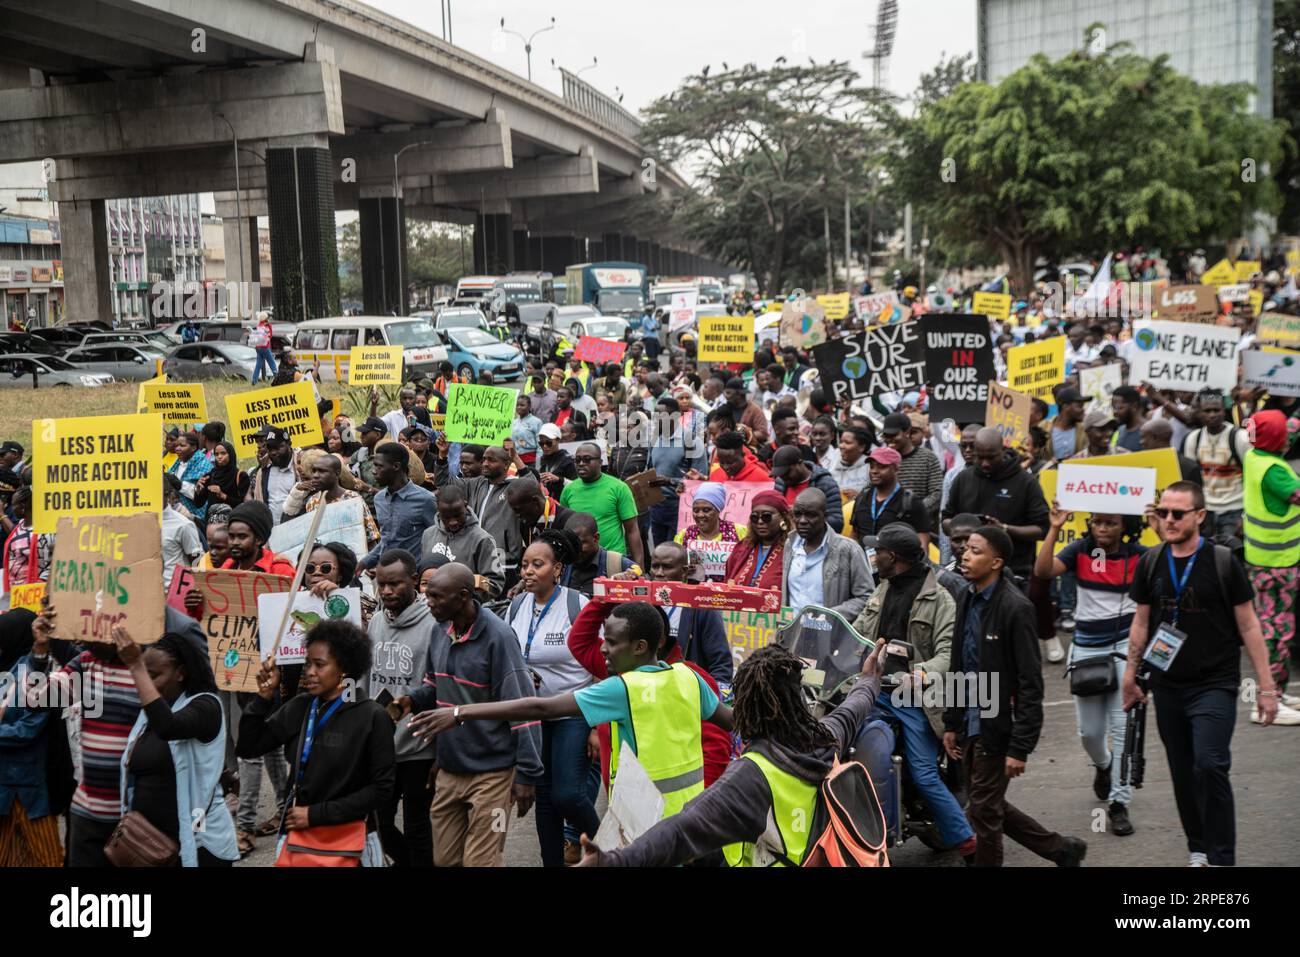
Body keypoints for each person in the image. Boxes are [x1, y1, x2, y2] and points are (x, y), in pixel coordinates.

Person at [410, 600, 733, 823]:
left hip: (646, 818)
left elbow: (540, 706)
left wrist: (460, 713)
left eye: (613, 642)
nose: (603, 648)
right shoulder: (689, 675)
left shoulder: (622, 689)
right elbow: (733, 721)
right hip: (689, 814)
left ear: (640, 647)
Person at [576, 641, 883, 867]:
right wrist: (869, 679)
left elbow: (683, 830)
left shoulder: (752, 775)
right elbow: (854, 707)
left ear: (747, 708)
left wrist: (613, 861)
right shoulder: (826, 737)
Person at [1125, 482, 1279, 866]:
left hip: (1215, 683)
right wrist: (1131, 675)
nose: (1169, 520)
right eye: (1163, 512)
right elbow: (1142, 622)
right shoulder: (1151, 561)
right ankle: (1198, 848)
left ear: (1199, 516)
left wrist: (1267, 687)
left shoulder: (1223, 561)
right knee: (1182, 772)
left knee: (1209, 765)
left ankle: (1222, 858)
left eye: (1178, 513)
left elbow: (1249, 626)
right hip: (1167, 685)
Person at [943, 525, 1087, 867]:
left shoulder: (1016, 608)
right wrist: (952, 721)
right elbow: (958, 662)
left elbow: (1030, 683)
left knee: (983, 811)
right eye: (965, 549)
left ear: (996, 562)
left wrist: (1020, 746)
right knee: (987, 803)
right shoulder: (966, 596)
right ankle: (1061, 850)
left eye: (975, 550)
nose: (964, 554)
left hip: (998, 725)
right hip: (969, 720)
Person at [401, 563, 543, 867]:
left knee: (484, 860)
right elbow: (433, 686)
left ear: (463, 596)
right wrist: (408, 702)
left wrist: (528, 775)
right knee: (444, 860)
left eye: (437, 597)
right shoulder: (440, 629)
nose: (429, 603)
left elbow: (524, 708)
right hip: (451, 772)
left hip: (495, 777)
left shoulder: (500, 638)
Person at [852, 523, 975, 857]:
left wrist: (919, 674)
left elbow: (949, 654)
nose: (873, 556)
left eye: (878, 551)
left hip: (913, 698)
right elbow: (858, 632)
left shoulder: (940, 599)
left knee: (923, 773)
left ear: (892, 557)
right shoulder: (882, 588)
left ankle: (966, 840)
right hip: (873, 689)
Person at [240, 621, 395, 867]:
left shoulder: (373, 716)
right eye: (307, 664)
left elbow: (382, 790)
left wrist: (315, 815)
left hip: (351, 842)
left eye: (319, 665)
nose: (309, 672)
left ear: (344, 667)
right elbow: (249, 747)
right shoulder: (300, 707)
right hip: (300, 839)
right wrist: (261, 699)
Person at [1034, 503, 1147, 836]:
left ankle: (1119, 803)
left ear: (1124, 525)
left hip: (1125, 650)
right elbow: (1043, 572)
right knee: (1089, 733)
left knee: (1123, 730)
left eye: (1110, 522)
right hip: (1085, 650)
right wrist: (1054, 528)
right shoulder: (1081, 550)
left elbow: (1167, 571)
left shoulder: (1140, 555)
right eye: (1097, 521)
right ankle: (1104, 765)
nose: (1102, 527)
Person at [498, 530, 599, 867]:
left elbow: (601, 664)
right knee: (544, 800)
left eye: (537, 565)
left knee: (567, 795)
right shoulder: (517, 605)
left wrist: (597, 726)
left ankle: (608, 847)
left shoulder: (577, 605)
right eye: (524, 564)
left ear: (557, 569)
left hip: (573, 712)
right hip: (533, 716)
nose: (527, 571)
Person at [112, 627, 239, 867]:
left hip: (200, 844)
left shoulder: (206, 706)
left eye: (154, 675)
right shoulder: (148, 713)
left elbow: (168, 727)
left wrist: (136, 667)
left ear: (180, 673)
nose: (146, 683)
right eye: (144, 676)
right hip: (151, 845)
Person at [26, 605, 141, 866]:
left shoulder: (147, 666)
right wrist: (41, 650)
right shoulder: (85, 663)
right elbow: (36, 699)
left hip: (134, 816)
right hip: (86, 813)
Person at [364, 549, 436, 867]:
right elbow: (365, 681)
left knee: (419, 827)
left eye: (395, 584)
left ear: (414, 581)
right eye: (381, 585)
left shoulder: (435, 624)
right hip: (382, 747)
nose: (387, 592)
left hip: (421, 747)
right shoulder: (376, 622)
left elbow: (442, 688)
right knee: (376, 824)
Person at [1239, 410, 1300, 723]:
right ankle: (1269, 700)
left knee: (1272, 624)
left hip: (1263, 560)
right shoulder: (1275, 472)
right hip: (1278, 565)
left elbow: (1287, 428)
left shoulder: (1253, 455)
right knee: (1277, 630)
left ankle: (1277, 689)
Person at [942, 428, 1050, 584]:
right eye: (980, 457)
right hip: (966, 573)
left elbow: (1042, 530)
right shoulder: (963, 478)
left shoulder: (1025, 482)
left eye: (991, 457)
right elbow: (946, 520)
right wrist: (964, 529)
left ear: (1003, 450)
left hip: (1013, 573)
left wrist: (1004, 529)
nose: (985, 463)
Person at [647, 541, 735, 687]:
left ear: (685, 571)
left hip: (688, 691)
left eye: (667, 567)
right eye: (655, 566)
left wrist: (711, 699)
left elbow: (721, 665)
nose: (659, 573)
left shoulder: (702, 607)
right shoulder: (642, 603)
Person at [781, 488, 872, 620]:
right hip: (792, 634)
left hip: (829, 635)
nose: (802, 520)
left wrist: (829, 615)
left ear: (825, 516)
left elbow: (866, 597)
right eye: (797, 514)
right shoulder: (790, 545)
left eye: (810, 515)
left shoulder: (848, 550)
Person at [359, 443, 439, 573]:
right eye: (374, 465)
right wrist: (364, 563)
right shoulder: (379, 499)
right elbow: (386, 541)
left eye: (379, 466)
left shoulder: (426, 500)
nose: (374, 471)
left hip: (414, 577)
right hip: (387, 575)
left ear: (396, 466)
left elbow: (437, 541)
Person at [1182, 391, 1251, 539]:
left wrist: (1246, 516)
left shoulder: (1240, 438)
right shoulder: (1193, 439)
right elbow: (1191, 482)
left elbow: (1254, 478)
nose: (1212, 415)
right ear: (1199, 413)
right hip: (1206, 512)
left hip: (1235, 510)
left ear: (1223, 411)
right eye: (1207, 411)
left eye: (1216, 410)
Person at [560, 442, 644, 563]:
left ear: (600, 462)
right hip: (578, 560)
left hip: (612, 561)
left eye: (587, 459)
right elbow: (564, 529)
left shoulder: (619, 488)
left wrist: (639, 568)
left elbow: (632, 531)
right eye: (577, 460)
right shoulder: (568, 490)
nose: (581, 464)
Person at [420, 483, 505, 600]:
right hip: (431, 608)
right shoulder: (428, 535)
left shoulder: (482, 540)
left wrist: (472, 583)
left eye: (457, 515)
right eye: (446, 517)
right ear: (438, 511)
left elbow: (495, 585)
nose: (453, 522)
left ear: (465, 506)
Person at [647, 397, 709, 548]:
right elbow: (649, 470)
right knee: (660, 552)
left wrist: (669, 481)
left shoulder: (692, 441)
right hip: (656, 509)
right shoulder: (654, 440)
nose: (656, 419)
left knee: (675, 554)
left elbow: (700, 481)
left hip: (680, 509)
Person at [850, 445, 930, 554]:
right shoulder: (862, 498)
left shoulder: (910, 502)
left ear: (896, 469)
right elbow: (854, 534)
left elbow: (922, 541)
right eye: (872, 466)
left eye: (882, 467)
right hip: (864, 567)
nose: (874, 471)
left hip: (897, 566)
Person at [882, 412, 944, 531]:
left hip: (920, 528)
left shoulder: (928, 458)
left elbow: (937, 494)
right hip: (887, 527)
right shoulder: (881, 459)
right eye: (886, 435)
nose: (889, 440)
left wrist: (911, 511)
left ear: (907, 432)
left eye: (894, 435)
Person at [675, 482, 746, 583]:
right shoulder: (684, 535)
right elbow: (675, 567)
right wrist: (683, 571)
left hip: (728, 595)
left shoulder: (738, 531)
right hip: (692, 594)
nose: (700, 515)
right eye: (696, 510)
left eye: (706, 510)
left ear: (718, 510)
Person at [725, 491, 792, 593]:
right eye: (755, 517)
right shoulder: (742, 548)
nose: (760, 522)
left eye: (766, 516)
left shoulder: (793, 551)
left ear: (782, 516)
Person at [770, 445, 845, 534]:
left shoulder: (824, 483)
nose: (783, 477)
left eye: (786, 472)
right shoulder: (781, 482)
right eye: (780, 474)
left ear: (800, 463)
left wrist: (806, 518)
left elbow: (837, 523)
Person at [562, 512, 639, 596]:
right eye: (571, 544)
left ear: (596, 538)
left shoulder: (618, 565)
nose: (574, 549)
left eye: (580, 544)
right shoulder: (561, 567)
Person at [248, 426, 299, 523]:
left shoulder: (300, 468)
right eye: (270, 449)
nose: (274, 452)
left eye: (278, 447)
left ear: (289, 444)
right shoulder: (263, 472)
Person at [161, 475, 202, 590]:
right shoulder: (142, 525)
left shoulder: (183, 525)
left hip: (173, 595)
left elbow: (197, 562)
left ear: (167, 496)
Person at [1138, 418, 1201, 485]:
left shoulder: (1188, 467)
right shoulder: (1189, 466)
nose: (1140, 442)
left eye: (1143, 437)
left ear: (1154, 437)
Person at [168, 430, 214, 521]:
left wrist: (179, 484)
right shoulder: (179, 463)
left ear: (193, 447)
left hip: (196, 516)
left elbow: (200, 494)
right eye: (176, 445)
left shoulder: (204, 465)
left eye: (182, 445)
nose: (177, 448)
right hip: (177, 514)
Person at [195, 440, 249, 513]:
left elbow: (245, 505)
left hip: (232, 521)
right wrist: (198, 490)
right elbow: (198, 504)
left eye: (223, 453)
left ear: (231, 454)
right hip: (212, 522)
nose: (219, 457)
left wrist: (223, 496)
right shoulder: (210, 476)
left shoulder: (241, 476)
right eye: (216, 454)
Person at [349, 415, 389, 510]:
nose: (361, 436)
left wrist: (367, 488)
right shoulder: (360, 453)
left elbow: (394, 493)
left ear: (378, 435)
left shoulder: (388, 457)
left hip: (383, 509)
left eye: (365, 433)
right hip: (361, 507)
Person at [824, 425, 871, 499]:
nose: (841, 446)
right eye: (841, 441)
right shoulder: (834, 457)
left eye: (847, 443)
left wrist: (859, 496)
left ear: (862, 447)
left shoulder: (870, 468)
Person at [707, 431, 771, 483]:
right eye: (721, 462)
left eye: (730, 463)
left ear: (743, 455)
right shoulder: (716, 475)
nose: (725, 467)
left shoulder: (762, 480)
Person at [723, 376, 770, 446]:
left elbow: (763, 433)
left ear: (739, 395)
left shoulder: (755, 410)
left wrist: (743, 434)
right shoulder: (725, 408)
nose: (726, 396)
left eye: (728, 393)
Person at [1048, 387, 1088, 461]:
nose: (1083, 410)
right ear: (1065, 406)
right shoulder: (1045, 428)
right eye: (1079, 406)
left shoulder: (1085, 430)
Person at [1110, 385, 1147, 453]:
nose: (1115, 412)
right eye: (1113, 407)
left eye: (1119, 408)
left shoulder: (1149, 430)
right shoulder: (1120, 430)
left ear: (1134, 407)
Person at [512, 395, 544, 467]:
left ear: (529, 406)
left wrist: (538, 465)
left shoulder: (536, 422)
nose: (519, 407)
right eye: (517, 405)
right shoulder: (513, 423)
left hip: (531, 461)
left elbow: (540, 446)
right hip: (515, 462)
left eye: (522, 405)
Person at [249, 313, 277, 384]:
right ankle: (277, 377)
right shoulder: (267, 326)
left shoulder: (259, 326)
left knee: (258, 365)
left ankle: (254, 380)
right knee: (272, 363)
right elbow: (269, 336)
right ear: (265, 318)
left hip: (258, 348)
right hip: (265, 347)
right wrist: (270, 326)